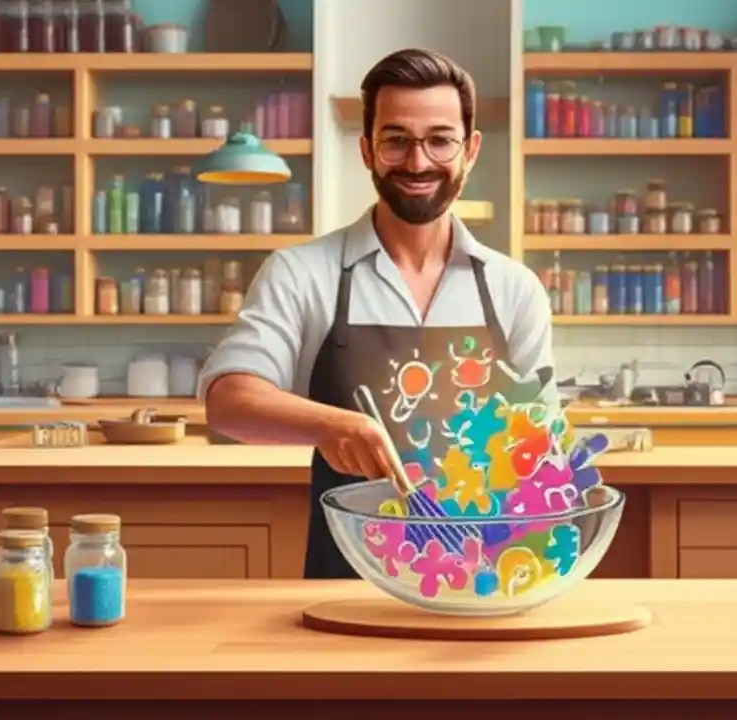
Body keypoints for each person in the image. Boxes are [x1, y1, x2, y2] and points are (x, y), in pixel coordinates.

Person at [198, 48, 557, 579]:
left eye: (440, 140)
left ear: (470, 149)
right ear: (367, 150)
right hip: (345, 579)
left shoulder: (513, 289)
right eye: (396, 141)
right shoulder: (302, 273)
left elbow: (541, 446)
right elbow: (228, 402)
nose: (417, 162)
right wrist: (332, 424)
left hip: (485, 579)